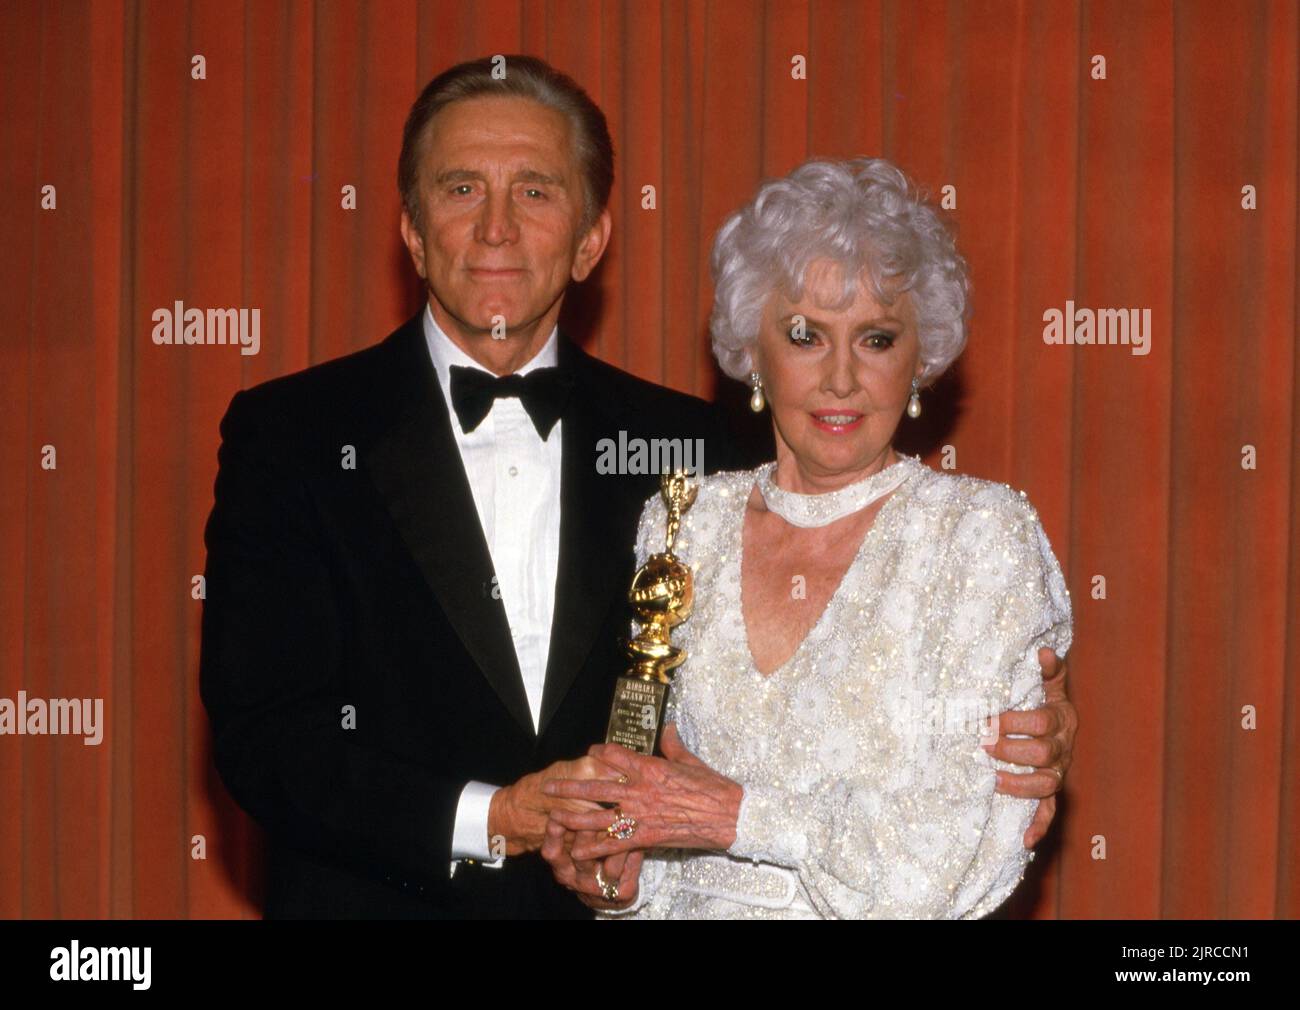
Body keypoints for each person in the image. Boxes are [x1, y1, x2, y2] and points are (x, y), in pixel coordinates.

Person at [200, 52, 1075, 919]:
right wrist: (494, 818)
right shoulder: (295, 438)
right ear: (411, 230)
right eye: (462, 187)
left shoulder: (684, 455)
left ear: (591, 241)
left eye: (536, 191)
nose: (497, 227)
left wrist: (1029, 720)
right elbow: (265, 736)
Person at [541, 157, 1075, 918]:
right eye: (805, 336)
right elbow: (662, 800)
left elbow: (957, 858)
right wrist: (620, 876)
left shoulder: (980, 539)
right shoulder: (685, 522)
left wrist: (736, 816)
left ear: (921, 362)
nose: (842, 379)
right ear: (752, 351)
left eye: (878, 340)